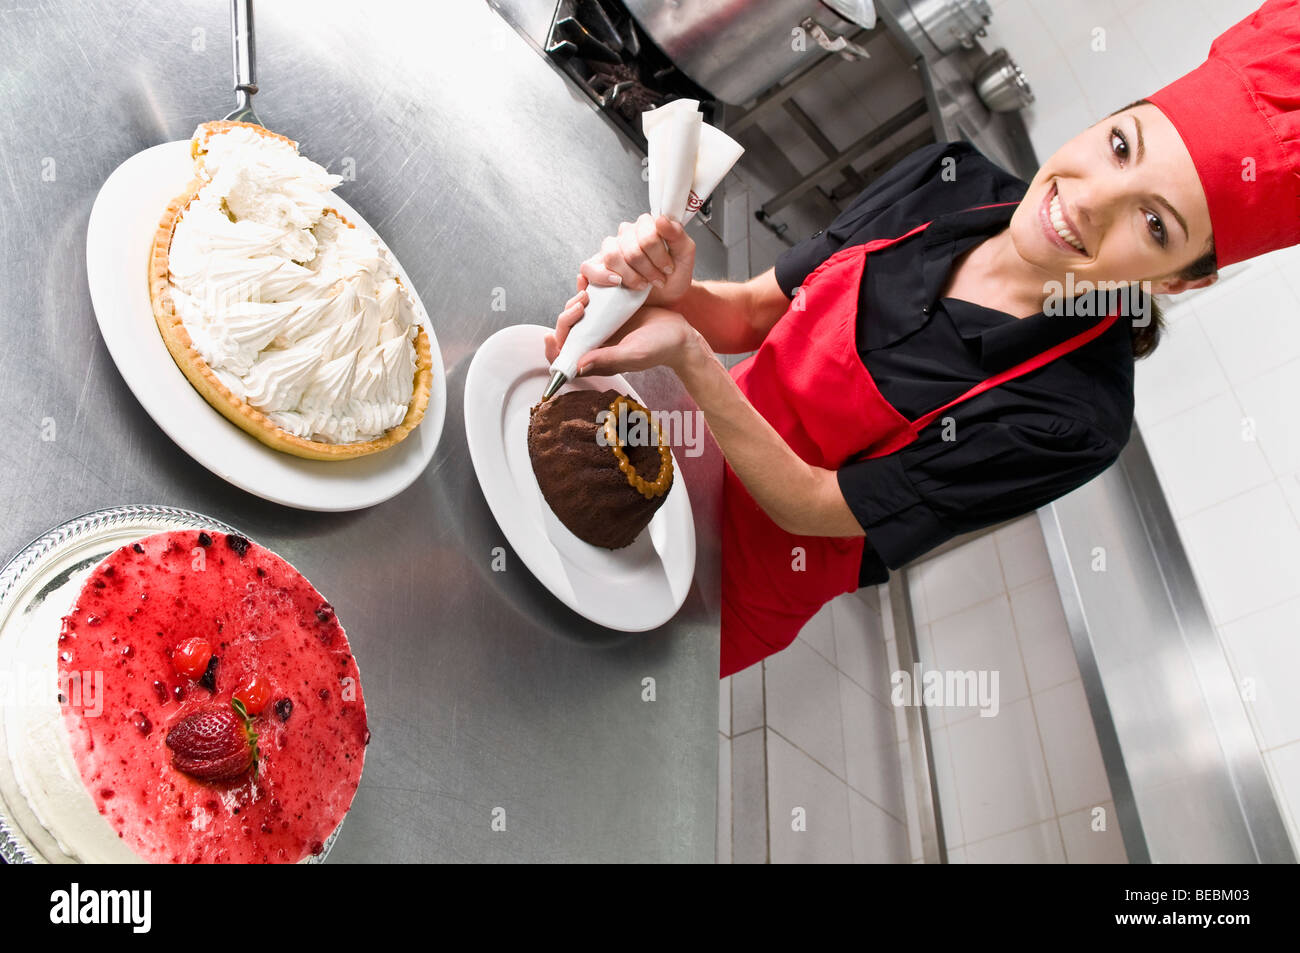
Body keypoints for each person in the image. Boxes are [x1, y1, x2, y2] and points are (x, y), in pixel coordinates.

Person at [545, 0, 1300, 677]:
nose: (1090, 202)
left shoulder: (1078, 417)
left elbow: (812, 505)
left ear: (1177, 280)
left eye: (1155, 223)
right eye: (1122, 147)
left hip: (746, 578)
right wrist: (678, 289)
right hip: (677, 453)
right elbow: (749, 313)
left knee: (575, 680)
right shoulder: (953, 176)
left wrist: (689, 357)